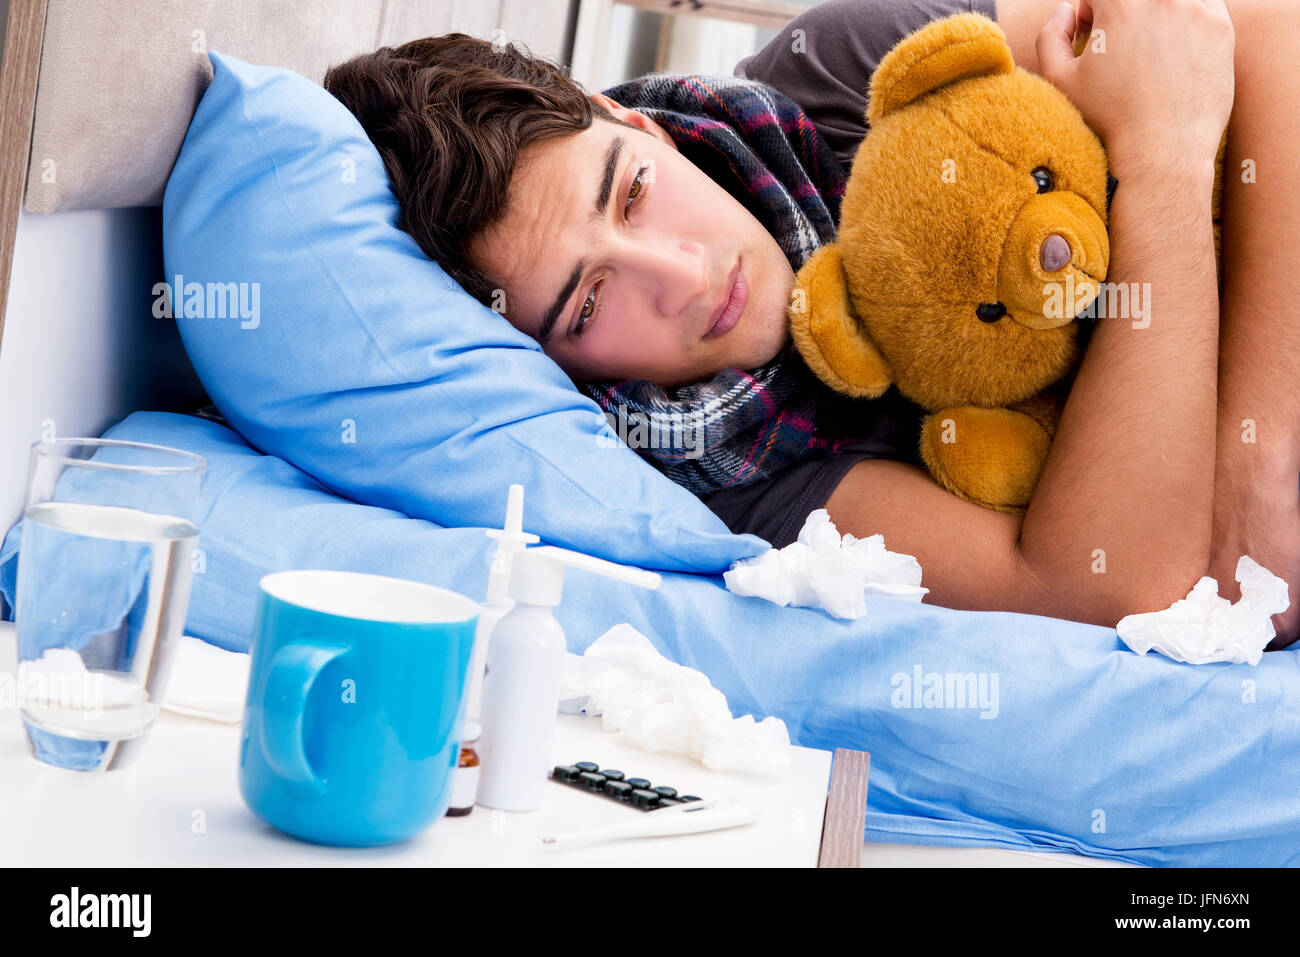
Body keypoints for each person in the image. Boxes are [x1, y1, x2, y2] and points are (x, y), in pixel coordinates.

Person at [325, 0, 1300, 648]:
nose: (685, 277)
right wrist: (1163, 165)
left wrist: (1258, 461)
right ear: (542, 359)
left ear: (633, 122)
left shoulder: (843, 73)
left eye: (634, 195)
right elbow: (1105, 586)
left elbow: (1248, 29)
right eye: (588, 304)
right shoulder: (733, 476)